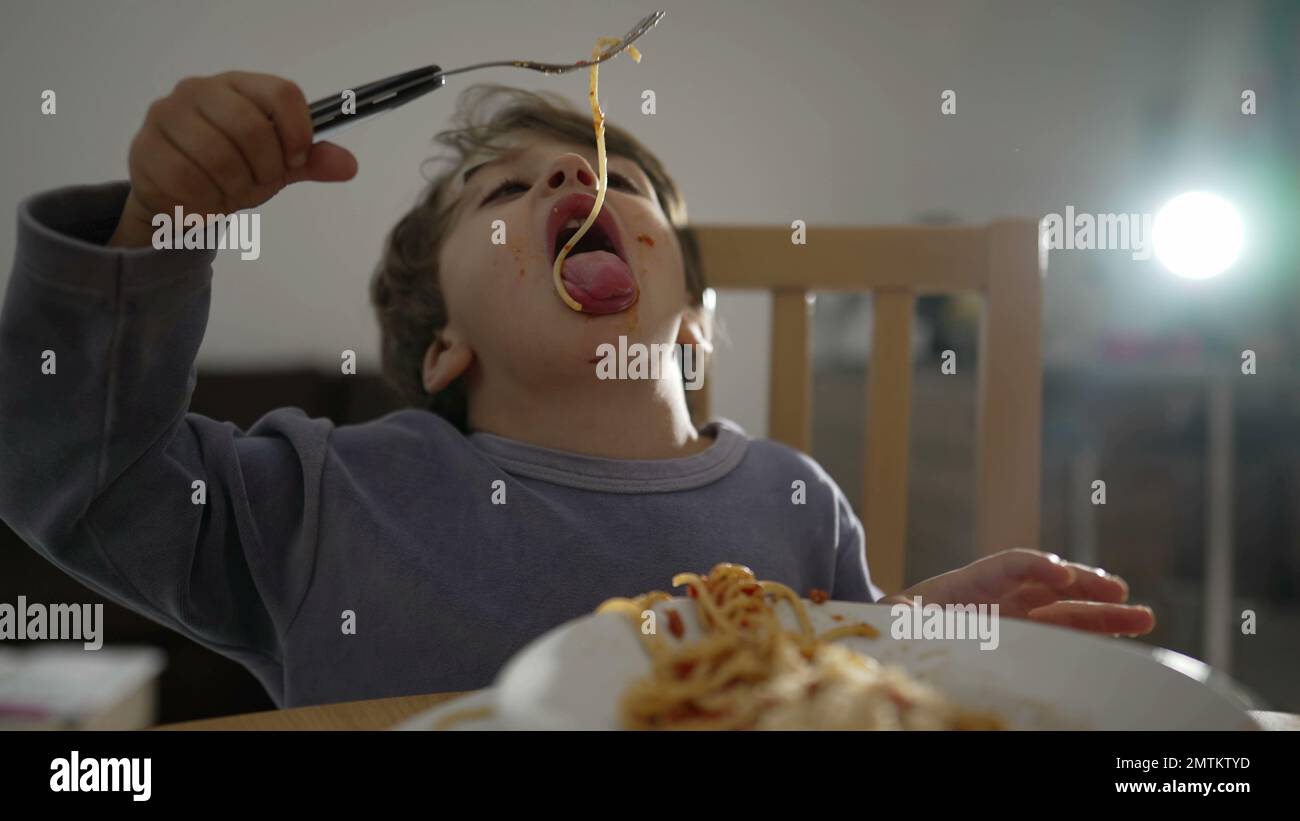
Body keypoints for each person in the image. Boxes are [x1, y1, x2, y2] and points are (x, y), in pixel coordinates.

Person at [0, 72, 1154, 708]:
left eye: (616, 178)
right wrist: (161, 226)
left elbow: (837, 683)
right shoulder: (325, 493)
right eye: (503, 190)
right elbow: (73, 469)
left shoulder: (797, 497)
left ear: (693, 325)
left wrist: (926, 636)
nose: (566, 172)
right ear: (440, 341)